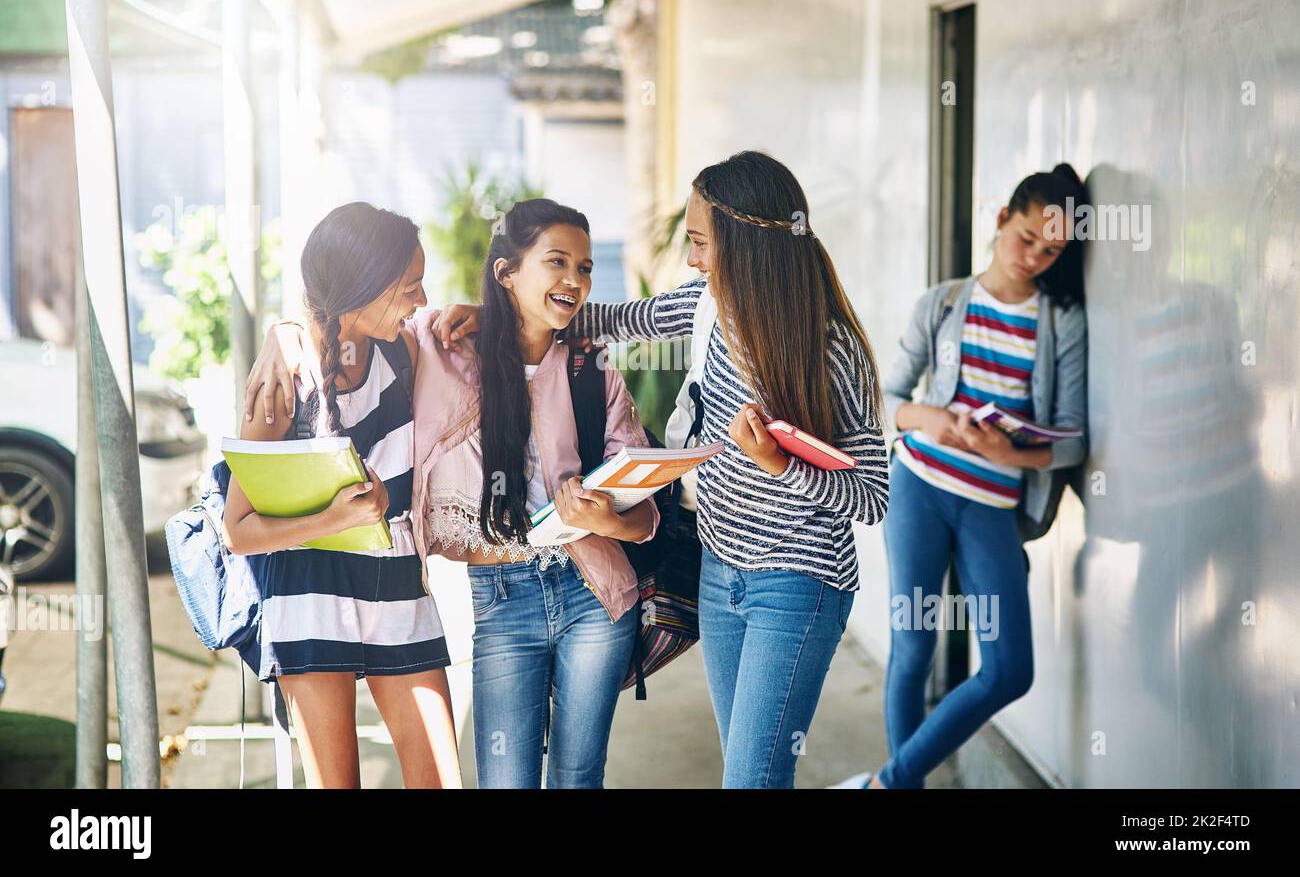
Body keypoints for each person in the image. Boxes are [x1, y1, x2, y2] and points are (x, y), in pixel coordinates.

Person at [436, 150, 890, 788]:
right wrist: (505, 310)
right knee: (749, 775)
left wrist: (779, 464)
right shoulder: (707, 309)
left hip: (798, 582)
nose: (693, 259)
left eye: (701, 242)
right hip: (718, 573)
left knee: (754, 781)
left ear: (747, 243)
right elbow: (612, 319)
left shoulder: (829, 347)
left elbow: (871, 497)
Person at [244, 199, 657, 788]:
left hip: (591, 590)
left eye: (586, 269)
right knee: (502, 779)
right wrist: (282, 333)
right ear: (506, 272)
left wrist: (608, 520)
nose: (575, 279)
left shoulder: (593, 371)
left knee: (578, 776)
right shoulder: (438, 345)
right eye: (557, 262)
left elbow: (644, 516)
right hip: (499, 594)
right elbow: (344, 314)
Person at [836, 163, 1089, 789]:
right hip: (919, 488)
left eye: (1052, 250)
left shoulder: (1062, 324)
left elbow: (1074, 436)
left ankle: (887, 784)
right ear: (1002, 219)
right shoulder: (944, 303)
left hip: (992, 506)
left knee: (1009, 669)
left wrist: (1012, 456)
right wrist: (928, 417)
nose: (1035, 256)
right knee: (914, 648)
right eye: (1026, 237)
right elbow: (882, 398)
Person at [223, 201, 460, 789]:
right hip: (309, 589)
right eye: (409, 286)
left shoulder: (401, 350)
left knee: (441, 780)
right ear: (365, 286)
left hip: (398, 578)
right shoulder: (286, 381)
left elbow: (469, 322)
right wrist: (332, 518)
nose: (422, 299)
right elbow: (239, 529)